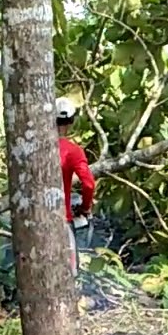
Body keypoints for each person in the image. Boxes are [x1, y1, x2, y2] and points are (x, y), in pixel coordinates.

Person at [57, 97, 96, 274]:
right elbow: (88, 184)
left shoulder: (35, 148)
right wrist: (85, 208)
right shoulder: (73, 151)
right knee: (70, 272)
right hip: (61, 219)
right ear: (71, 121)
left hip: (32, 217)